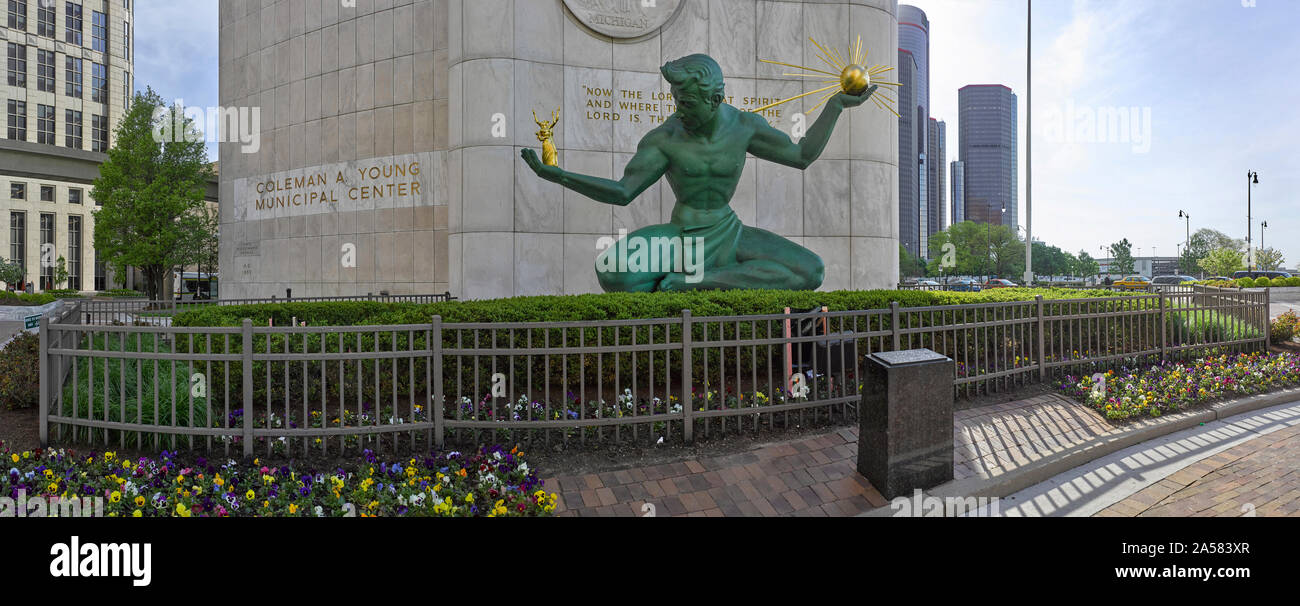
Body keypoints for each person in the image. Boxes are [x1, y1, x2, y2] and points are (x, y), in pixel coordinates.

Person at [521, 54, 876, 292]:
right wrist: (558, 175)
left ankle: (693, 282)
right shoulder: (665, 139)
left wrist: (834, 107)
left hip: (730, 233)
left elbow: (801, 156)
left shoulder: (744, 127)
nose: (679, 110)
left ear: (715, 99)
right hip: (680, 236)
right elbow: (622, 191)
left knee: (810, 271)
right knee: (612, 270)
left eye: (687, 103)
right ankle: (702, 277)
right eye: (676, 100)